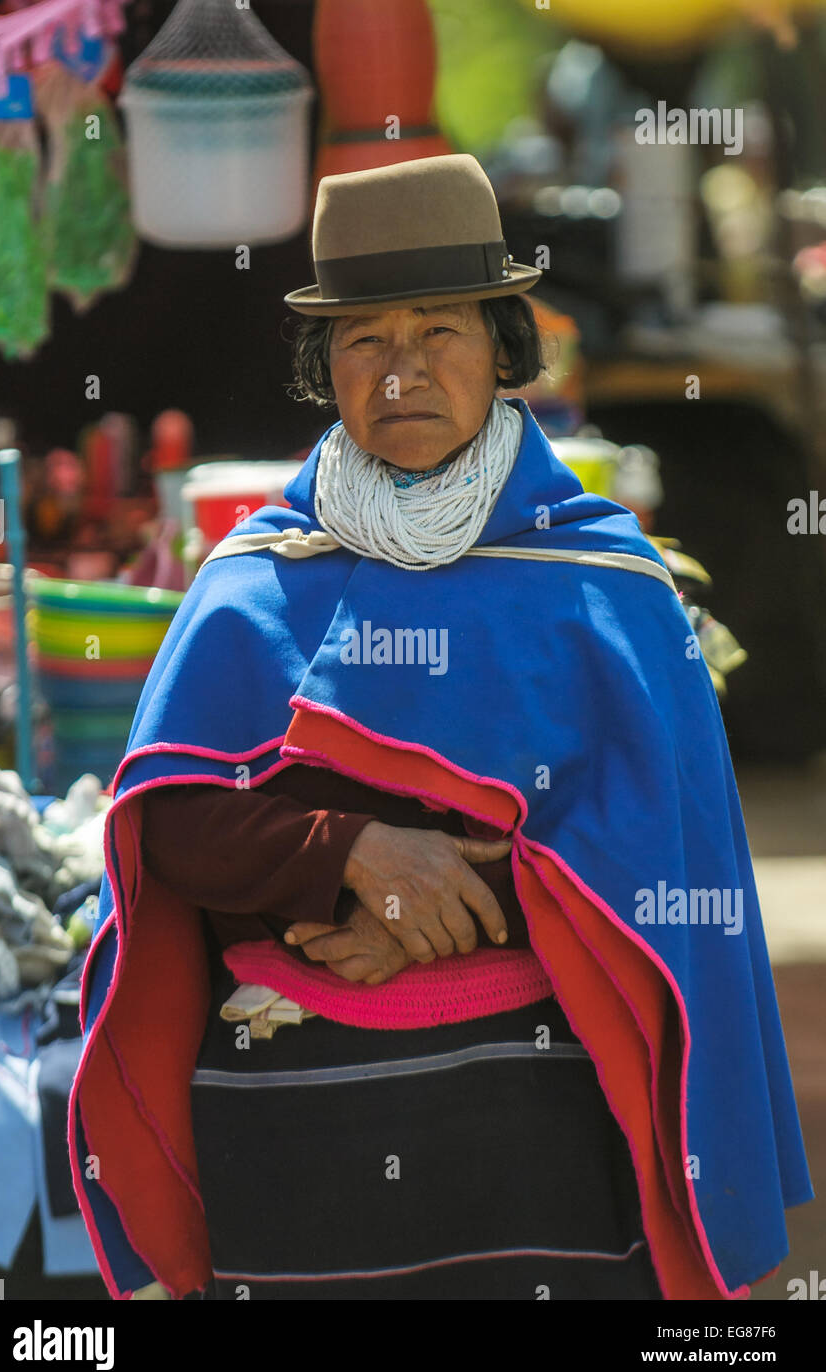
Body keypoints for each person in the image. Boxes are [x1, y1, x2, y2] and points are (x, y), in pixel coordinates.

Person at [69, 154, 812, 1302]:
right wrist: (350, 856)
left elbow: (663, 856)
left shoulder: (601, 581)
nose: (401, 371)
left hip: (545, 1142)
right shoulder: (255, 577)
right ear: (324, 367)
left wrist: (438, 913)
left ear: (502, 351)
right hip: (293, 1154)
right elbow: (165, 828)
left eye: (438, 331)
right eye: (364, 338)